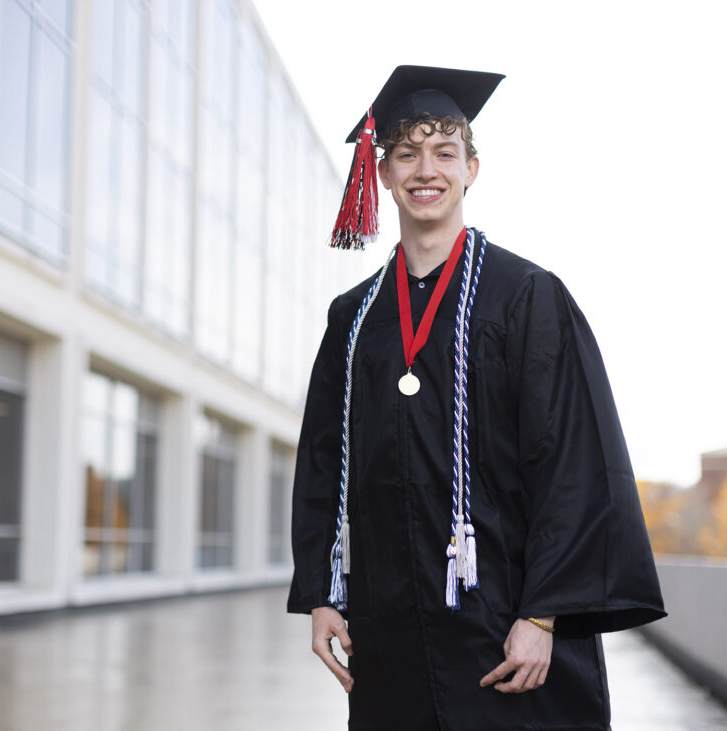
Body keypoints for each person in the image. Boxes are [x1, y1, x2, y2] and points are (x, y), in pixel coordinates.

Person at [288, 65, 666, 730]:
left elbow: (572, 463)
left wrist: (543, 614)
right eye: (405, 152)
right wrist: (322, 594)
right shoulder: (354, 320)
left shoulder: (525, 297)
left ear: (472, 169)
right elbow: (325, 463)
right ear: (381, 174)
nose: (424, 169)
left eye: (443, 151)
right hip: (390, 635)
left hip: (508, 634)